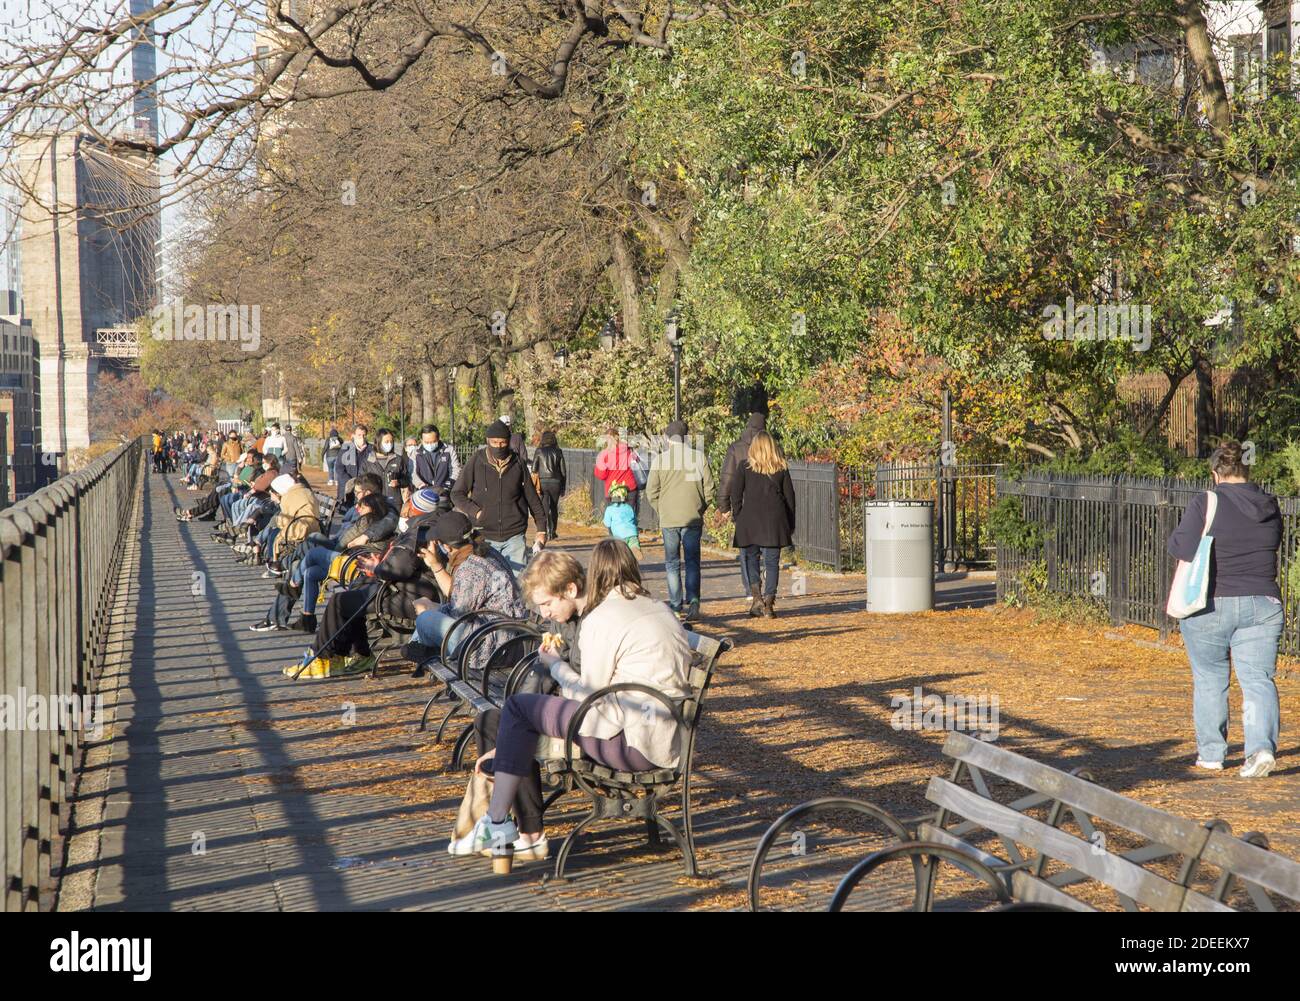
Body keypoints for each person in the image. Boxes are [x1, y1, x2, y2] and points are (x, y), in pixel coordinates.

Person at [450, 539, 691, 868]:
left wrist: (555, 668)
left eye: (548, 604)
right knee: (513, 715)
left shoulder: (602, 619)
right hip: (663, 737)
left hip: (630, 743)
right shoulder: (655, 607)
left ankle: (498, 825)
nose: (546, 614)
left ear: (573, 587)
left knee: (518, 709)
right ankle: (506, 828)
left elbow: (589, 697)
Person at [1168, 441, 1282, 778]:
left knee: (1210, 680)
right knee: (1258, 680)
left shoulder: (1207, 501)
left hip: (1211, 604)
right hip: (1263, 602)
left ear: (1216, 473)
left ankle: (1212, 753)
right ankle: (1260, 749)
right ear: (1247, 470)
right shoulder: (1269, 505)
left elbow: (1181, 547)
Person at [401, 510, 526, 668]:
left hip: (492, 647)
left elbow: (457, 615)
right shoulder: (487, 552)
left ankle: (424, 649)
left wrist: (430, 610)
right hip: (507, 636)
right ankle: (422, 648)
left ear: (446, 546)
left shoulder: (470, 568)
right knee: (430, 611)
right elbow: (463, 602)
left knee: (424, 618)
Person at [450, 419, 547, 570]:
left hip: (514, 534)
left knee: (517, 583)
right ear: (488, 441)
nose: (498, 446)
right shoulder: (476, 461)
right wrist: (477, 512)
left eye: (502, 442)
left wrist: (541, 529)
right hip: (484, 535)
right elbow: (457, 494)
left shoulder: (518, 464)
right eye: (494, 442)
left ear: (508, 441)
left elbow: (533, 499)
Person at [647, 419, 713, 621]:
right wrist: (700, 508)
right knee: (693, 562)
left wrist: (662, 509)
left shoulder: (660, 460)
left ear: (667, 438)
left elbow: (651, 491)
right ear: (686, 437)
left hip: (669, 519)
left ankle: (676, 606)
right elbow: (709, 490)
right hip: (692, 517)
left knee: (672, 563)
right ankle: (693, 601)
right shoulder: (698, 457)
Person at [731, 430, 796, 618]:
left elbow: (736, 494)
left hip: (749, 519)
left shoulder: (745, 467)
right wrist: (790, 522)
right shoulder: (781, 469)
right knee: (772, 562)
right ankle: (769, 601)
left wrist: (738, 515)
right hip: (774, 521)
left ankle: (756, 597)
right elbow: (790, 498)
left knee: (751, 559)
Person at [718, 410, 769, 597]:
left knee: (747, 551)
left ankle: (750, 588)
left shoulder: (736, 448)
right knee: (766, 548)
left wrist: (724, 505)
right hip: (765, 504)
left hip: (744, 506)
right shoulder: (769, 447)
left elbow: (727, 479)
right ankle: (765, 583)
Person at [531, 430, 566, 540]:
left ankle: (544, 530)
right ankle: (553, 531)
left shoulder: (539, 451)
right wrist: (563, 488)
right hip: (556, 482)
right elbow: (563, 472)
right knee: (554, 507)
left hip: (543, 482)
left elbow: (533, 468)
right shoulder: (558, 451)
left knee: (544, 506)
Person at [410, 423, 459, 498]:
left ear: (438, 438)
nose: (430, 444)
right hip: (422, 495)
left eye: (433, 441)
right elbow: (412, 472)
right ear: (421, 440)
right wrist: (421, 485)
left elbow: (456, 469)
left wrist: (448, 484)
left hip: (444, 494)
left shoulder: (448, 450)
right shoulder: (416, 453)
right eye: (426, 442)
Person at [364, 428, 407, 506]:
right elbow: (361, 483)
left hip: (394, 503)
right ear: (378, 442)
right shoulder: (368, 461)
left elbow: (406, 479)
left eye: (391, 441)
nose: (389, 444)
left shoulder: (398, 459)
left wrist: (399, 482)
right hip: (375, 503)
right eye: (386, 442)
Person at [336, 424, 372, 504]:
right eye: (359, 435)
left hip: (365, 490)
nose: (362, 438)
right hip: (348, 490)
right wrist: (351, 482)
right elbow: (339, 468)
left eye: (364, 435)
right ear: (353, 436)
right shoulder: (345, 449)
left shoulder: (372, 450)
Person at [602, 483, 640, 555]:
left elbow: (607, 523)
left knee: (620, 553)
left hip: (619, 536)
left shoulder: (610, 509)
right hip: (632, 534)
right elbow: (635, 521)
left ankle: (623, 559)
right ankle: (635, 548)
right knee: (633, 546)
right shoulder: (629, 508)